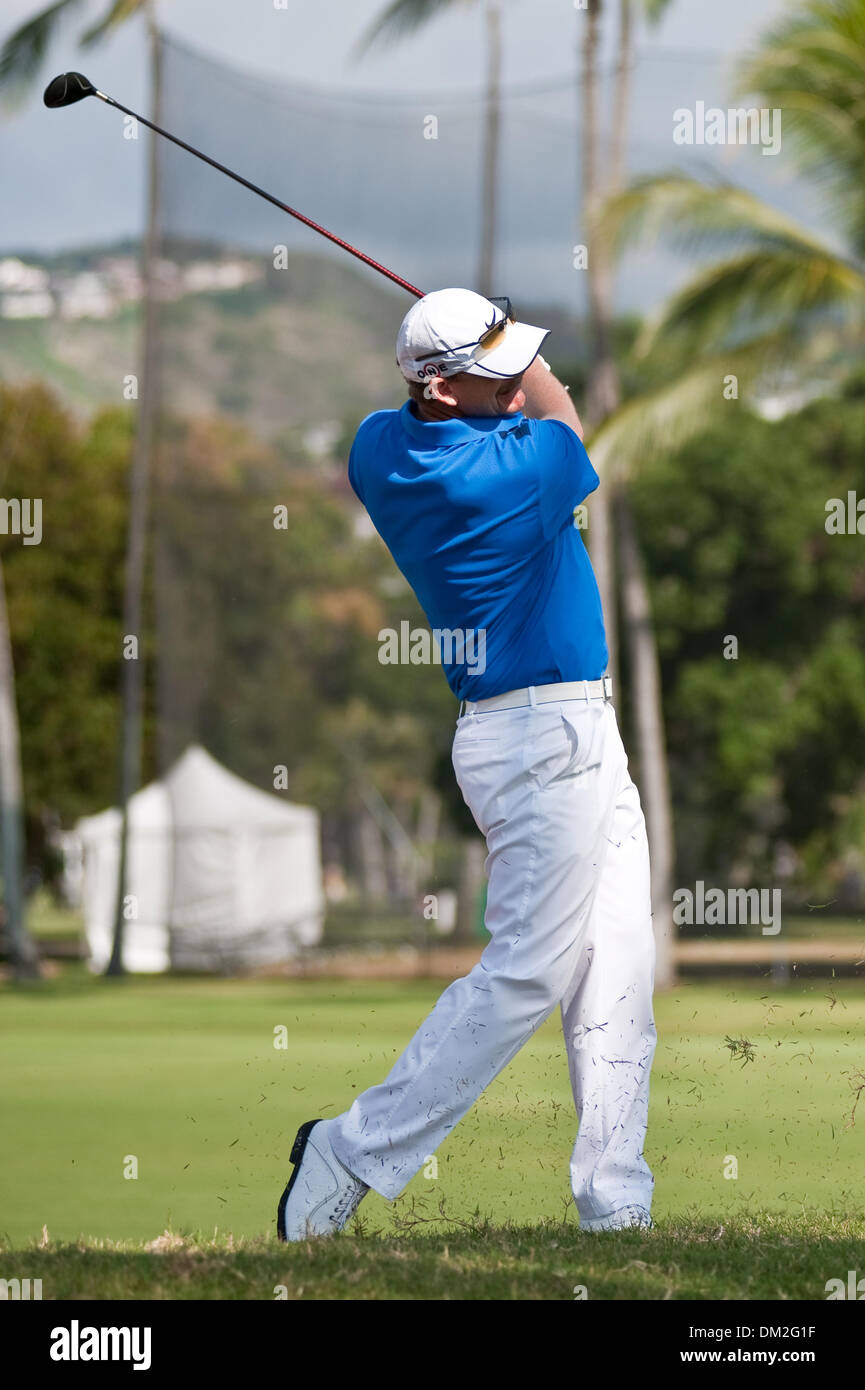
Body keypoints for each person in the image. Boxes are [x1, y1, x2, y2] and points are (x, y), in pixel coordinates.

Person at [277, 288, 657, 1240]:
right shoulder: (507, 474)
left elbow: (484, 398)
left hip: (566, 733)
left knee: (618, 962)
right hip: (539, 739)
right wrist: (509, 354)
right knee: (528, 973)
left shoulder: (377, 444)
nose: (516, 391)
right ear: (443, 390)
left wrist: (473, 347)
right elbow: (565, 413)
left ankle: (615, 1202)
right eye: (495, 378)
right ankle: (352, 1148)